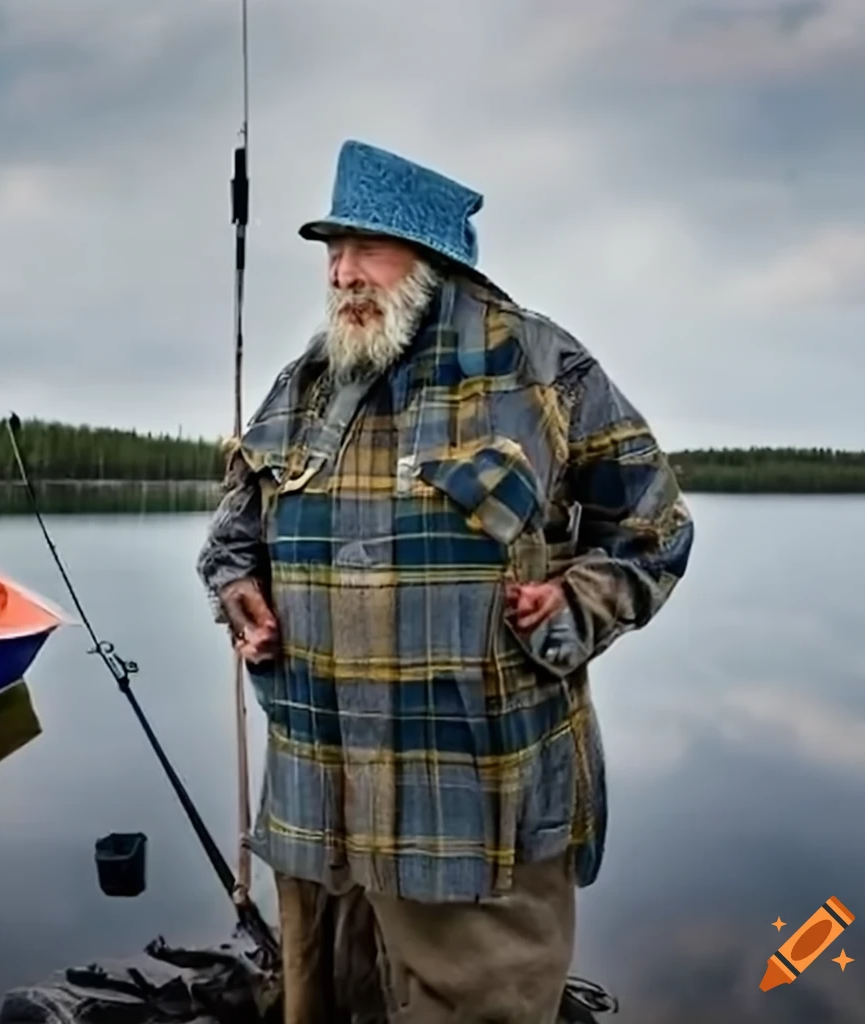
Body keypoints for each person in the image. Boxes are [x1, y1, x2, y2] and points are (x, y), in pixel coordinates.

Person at [198, 139, 694, 1023]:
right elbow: (234, 532)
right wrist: (241, 596)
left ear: (430, 257)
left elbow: (655, 530)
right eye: (331, 250)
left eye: (365, 247)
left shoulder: (544, 371)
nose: (342, 272)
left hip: (470, 819)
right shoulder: (304, 385)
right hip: (320, 810)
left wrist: (570, 607)